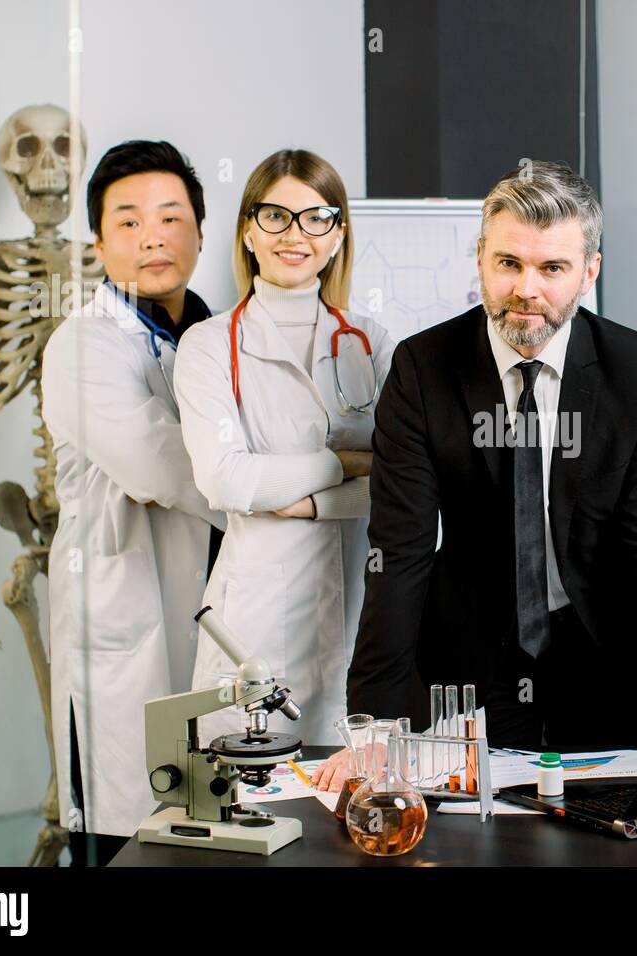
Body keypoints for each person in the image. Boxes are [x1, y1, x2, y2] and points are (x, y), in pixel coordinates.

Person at [312, 160, 637, 790]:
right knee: (469, 839)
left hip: (599, 651)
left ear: (589, 271)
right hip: (467, 658)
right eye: (509, 264)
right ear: (480, 260)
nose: (527, 289)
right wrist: (375, 726)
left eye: (553, 268)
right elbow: (399, 552)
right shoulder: (422, 369)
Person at [42, 140, 226, 865]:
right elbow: (171, 468)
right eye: (128, 221)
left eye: (171, 216)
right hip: (128, 643)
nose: (153, 236)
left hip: (220, 626)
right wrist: (316, 480)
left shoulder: (219, 339)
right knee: (129, 842)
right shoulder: (82, 347)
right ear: (97, 243)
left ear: (202, 233)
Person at [174, 149, 394, 746]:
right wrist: (347, 463)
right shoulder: (208, 344)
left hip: (360, 604)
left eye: (316, 217)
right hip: (256, 618)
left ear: (338, 234)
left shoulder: (372, 343)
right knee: (257, 802)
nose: (294, 234)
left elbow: (404, 484)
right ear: (248, 228)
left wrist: (305, 502)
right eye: (275, 216)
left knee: (358, 802)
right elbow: (227, 483)